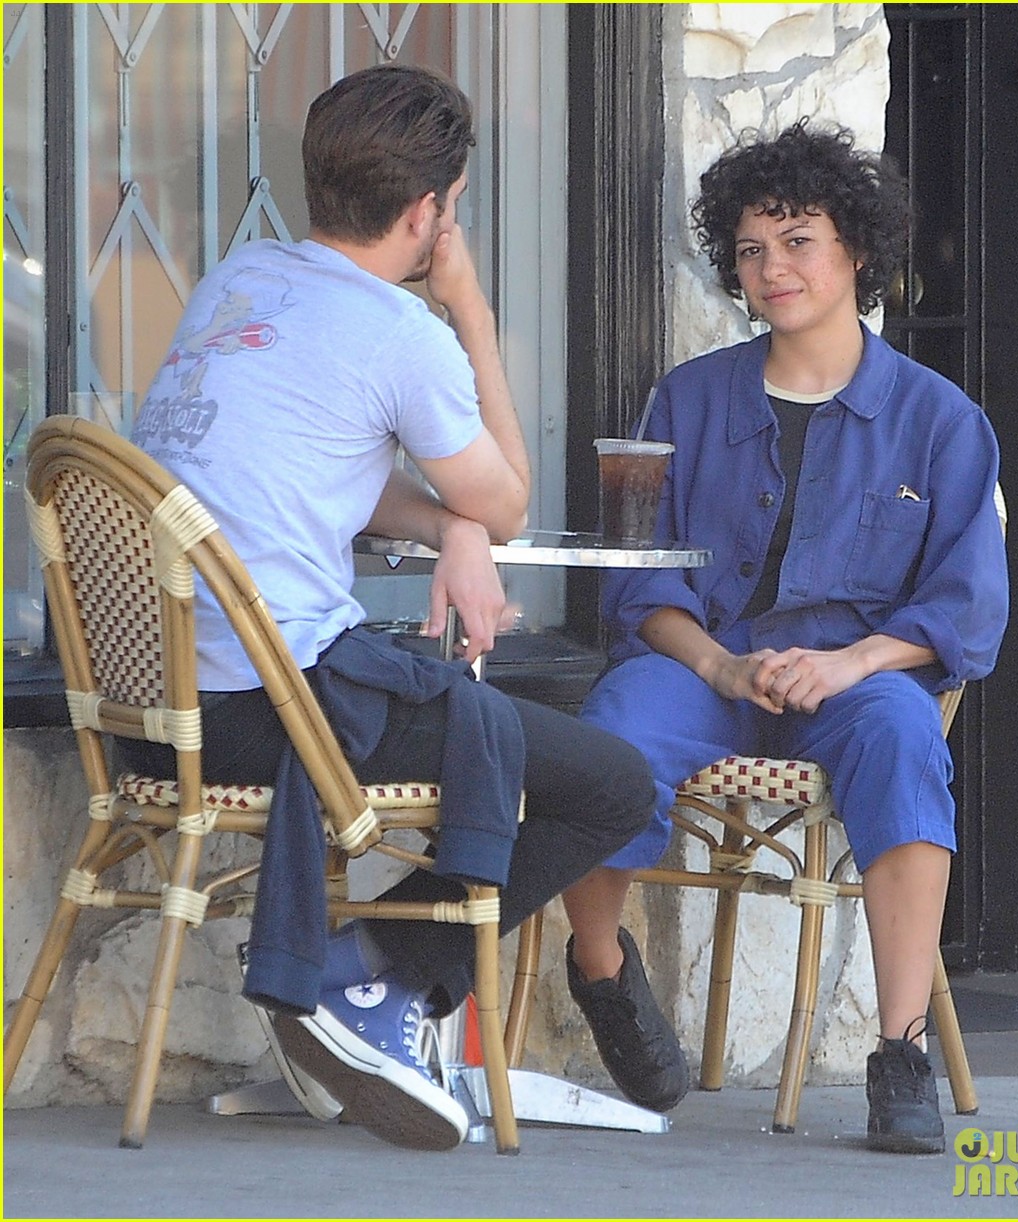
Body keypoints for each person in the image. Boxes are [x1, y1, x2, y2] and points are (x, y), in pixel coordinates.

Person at [119, 63, 654, 1152]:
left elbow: (337, 473)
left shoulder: (242, 282)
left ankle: (373, 988)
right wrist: (468, 307)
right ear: (429, 213)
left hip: (152, 706)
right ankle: (373, 979)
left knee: (488, 724)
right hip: (274, 707)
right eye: (450, 209)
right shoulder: (398, 329)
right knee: (610, 783)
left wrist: (451, 525)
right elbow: (504, 494)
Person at [563, 119, 1008, 1153]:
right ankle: (600, 971)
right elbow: (642, 586)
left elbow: (965, 610)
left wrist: (850, 660)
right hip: (706, 668)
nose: (773, 268)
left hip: (854, 680)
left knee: (903, 741)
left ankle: (900, 1051)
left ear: (856, 247)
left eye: (798, 240)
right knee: (613, 732)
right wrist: (718, 660)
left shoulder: (940, 421)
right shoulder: (689, 396)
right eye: (753, 248)